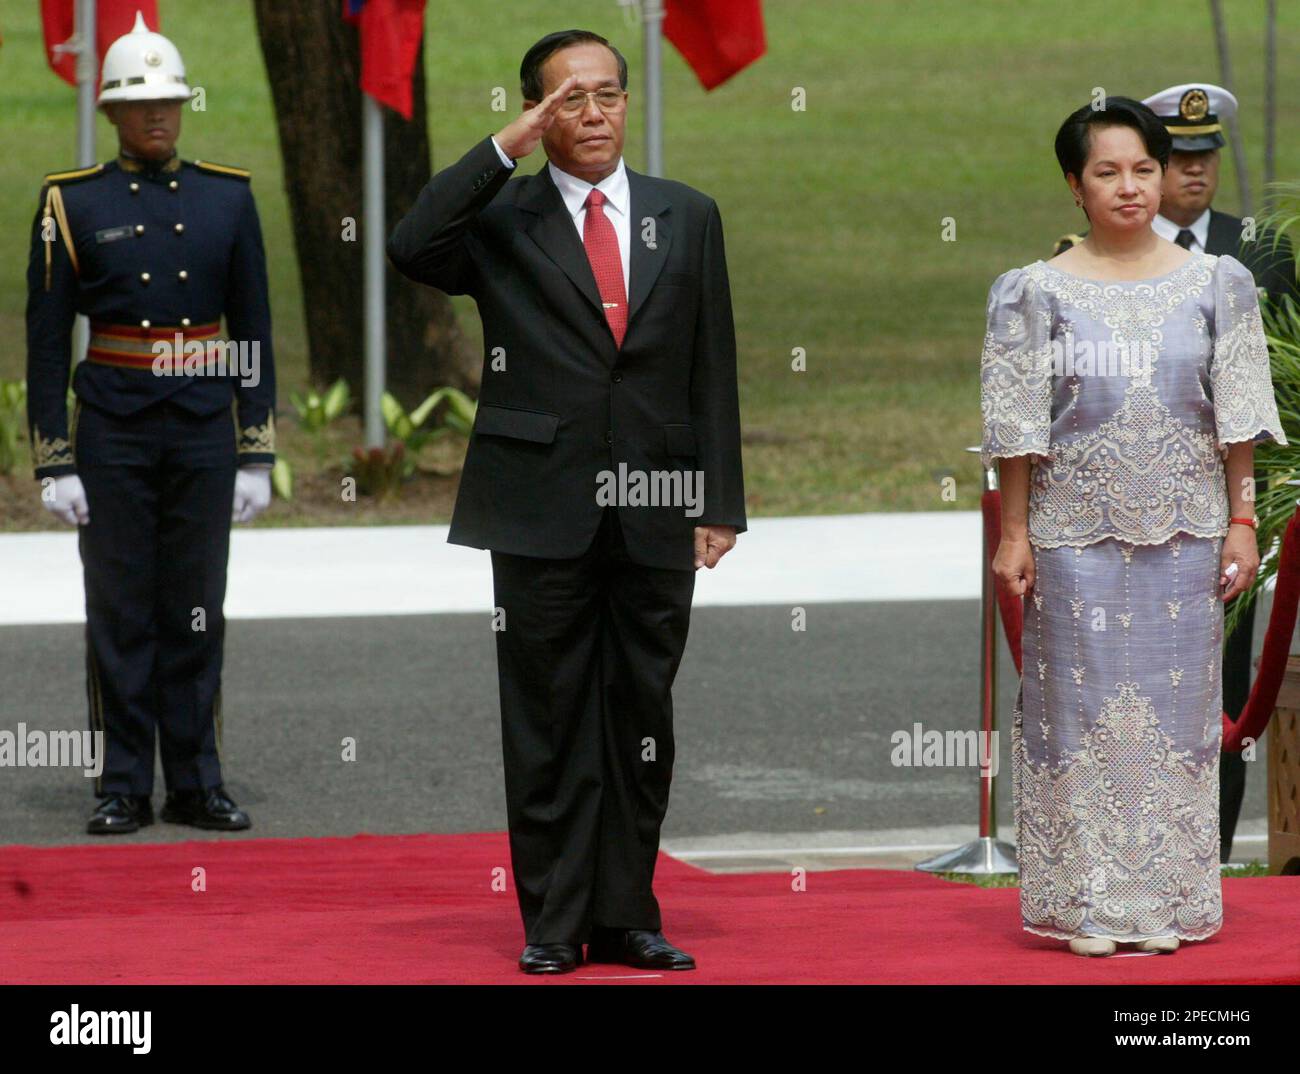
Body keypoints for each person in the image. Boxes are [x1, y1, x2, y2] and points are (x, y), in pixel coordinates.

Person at [388, 29, 746, 974]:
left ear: (628, 104)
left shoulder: (688, 213)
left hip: (659, 502)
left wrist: (721, 502)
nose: (591, 114)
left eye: (606, 95)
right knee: (546, 714)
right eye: (566, 101)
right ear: (538, 112)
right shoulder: (504, 222)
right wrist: (504, 148)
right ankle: (552, 921)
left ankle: (627, 913)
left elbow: (714, 367)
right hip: (540, 501)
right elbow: (413, 242)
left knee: (641, 712)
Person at [981, 97, 1286, 957]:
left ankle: (1166, 902)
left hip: (1188, 533)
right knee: (1081, 719)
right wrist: (1015, 533)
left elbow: (1238, 413)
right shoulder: (1032, 291)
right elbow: (1015, 426)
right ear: (1074, 186)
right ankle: (1090, 904)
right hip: (1072, 536)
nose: (1131, 187)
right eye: (1108, 172)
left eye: (1144, 170)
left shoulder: (1218, 282)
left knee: (1178, 716)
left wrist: (1239, 518)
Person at [26, 14, 276, 835]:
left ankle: (198, 780)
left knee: (198, 607)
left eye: (169, 101)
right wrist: (54, 460)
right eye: (142, 105)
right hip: (114, 431)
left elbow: (253, 331)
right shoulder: (70, 201)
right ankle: (124, 782)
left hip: (203, 429)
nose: (158, 116)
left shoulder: (228, 197)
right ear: (113, 114)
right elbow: (45, 337)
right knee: (121, 609)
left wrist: (255, 448)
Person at [1050, 84, 1297, 864]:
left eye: (1201, 156)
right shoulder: (1069, 264)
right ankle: (1100, 868)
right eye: (1178, 156)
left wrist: (1247, 507)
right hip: (1097, 520)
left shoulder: (1253, 255)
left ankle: (1203, 858)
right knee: (1096, 697)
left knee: (1211, 690)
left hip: (1210, 506)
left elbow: (1268, 379)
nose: (1191, 172)